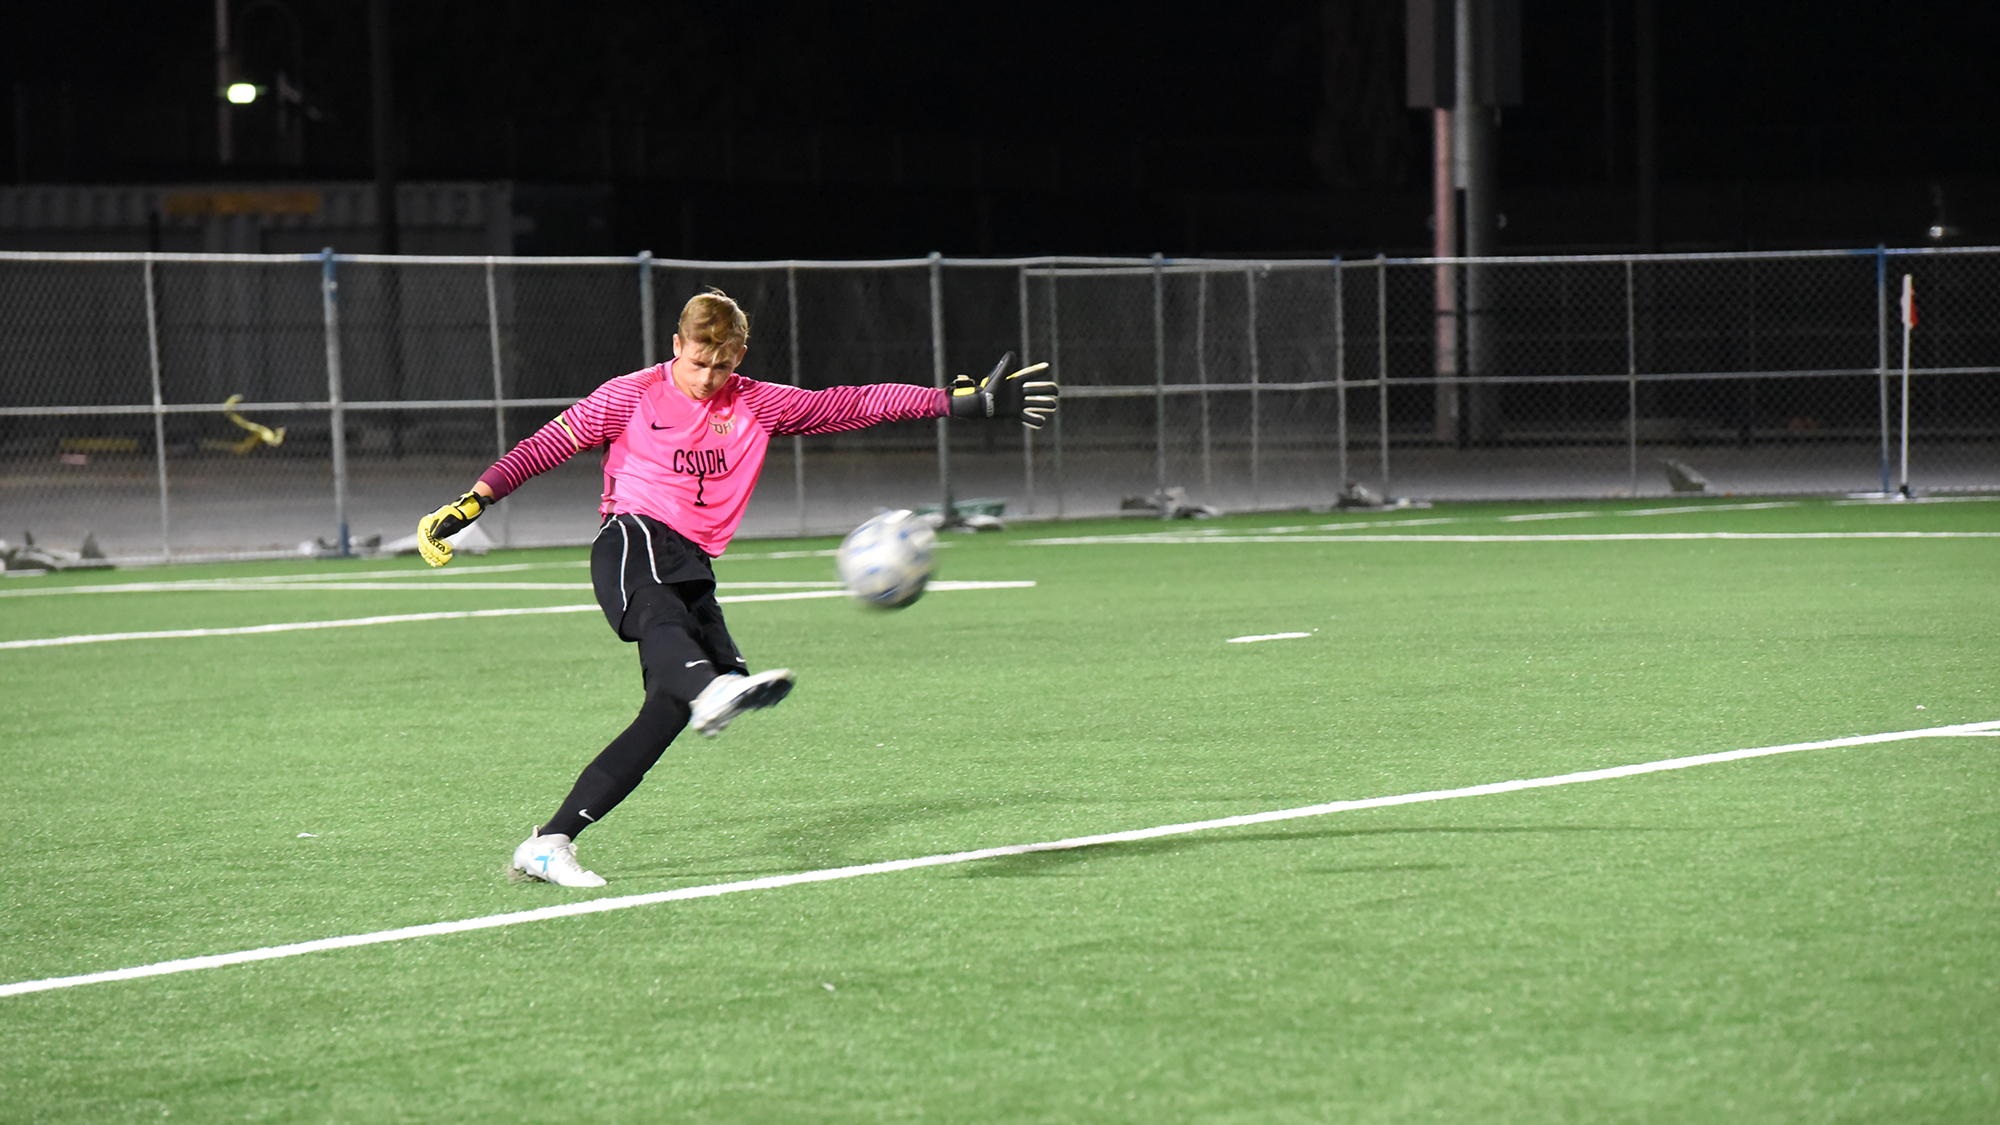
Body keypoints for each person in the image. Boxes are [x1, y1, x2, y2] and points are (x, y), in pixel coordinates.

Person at [416, 288, 1056, 887]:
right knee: (664, 623)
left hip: (691, 560)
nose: (708, 376)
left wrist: (952, 401)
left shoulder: (755, 402)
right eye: (698, 361)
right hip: (633, 538)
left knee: (666, 710)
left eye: (722, 364)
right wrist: (470, 504)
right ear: (677, 346)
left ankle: (549, 842)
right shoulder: (631, 395)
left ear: (739, 356)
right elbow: (546, 445)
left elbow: (849, 403)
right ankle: (713, 686)